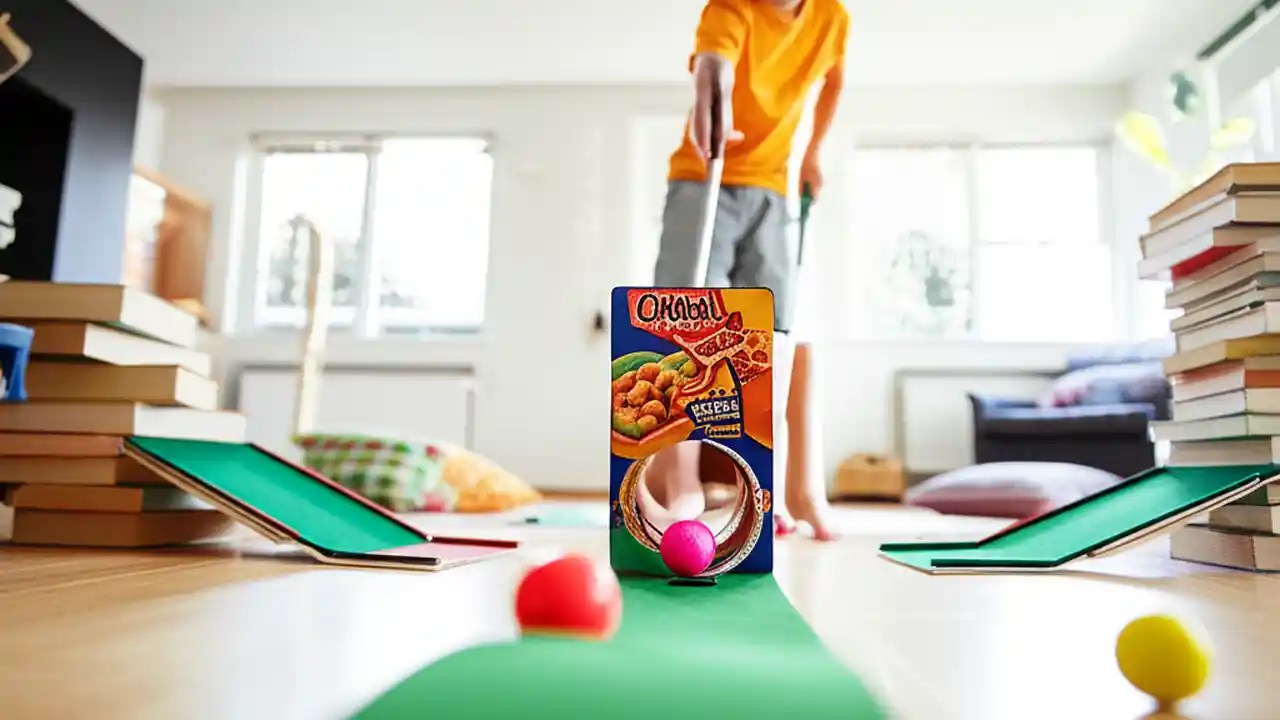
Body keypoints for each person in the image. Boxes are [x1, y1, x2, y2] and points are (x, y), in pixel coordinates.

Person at [653, 0, 848, 540]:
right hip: (704, 173)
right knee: (683, 322)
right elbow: (713, 63)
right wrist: (706, 99)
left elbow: (833, 82)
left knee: (774, 335)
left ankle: (783, 490)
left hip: (771, 185)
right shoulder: (731, 7)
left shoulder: (830, 17)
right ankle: (682, 486)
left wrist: (813, 152)